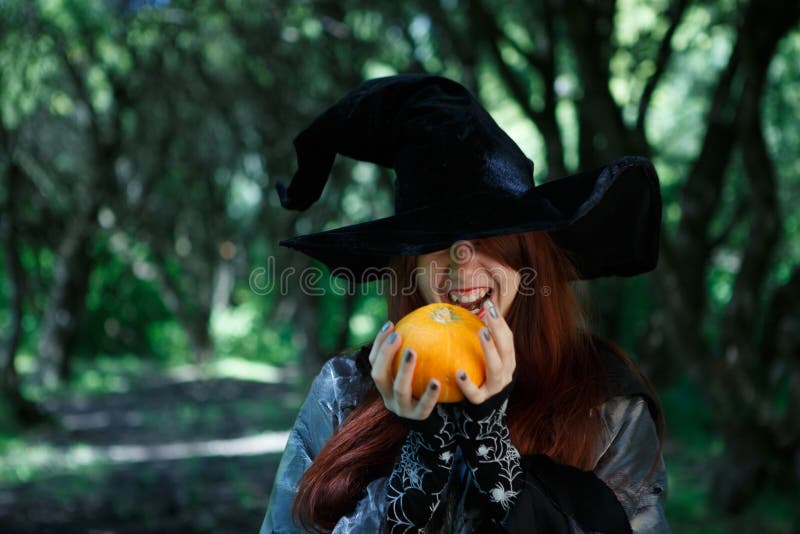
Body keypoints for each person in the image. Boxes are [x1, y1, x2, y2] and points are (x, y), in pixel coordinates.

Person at [260, 74, 669, 533]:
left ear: (527, 253)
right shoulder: (343, 393)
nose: (462, 263)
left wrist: (490, 446)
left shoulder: (606, 402)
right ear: (409, 262)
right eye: (436, 240)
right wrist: (424, 454)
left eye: (490, 233)